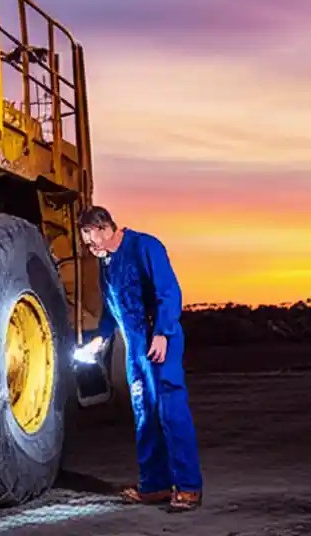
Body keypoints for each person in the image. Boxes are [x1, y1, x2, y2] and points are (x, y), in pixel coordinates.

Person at [74, 205, 203, 512]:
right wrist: (100, 339)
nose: (88, 246)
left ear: (105, 228)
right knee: (144, 413)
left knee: (169, 410)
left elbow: (168, 292)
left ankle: (188, 487)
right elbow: (111, 310)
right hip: (135, 349)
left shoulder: (145, 246)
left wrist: (162, 332)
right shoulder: (107, 264)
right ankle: (154, 485)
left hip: (159, 342)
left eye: (90, 238)